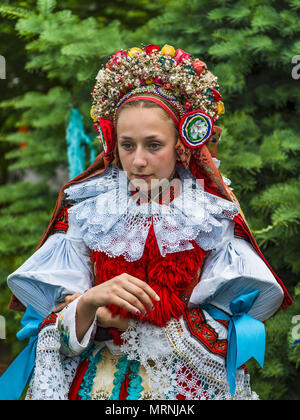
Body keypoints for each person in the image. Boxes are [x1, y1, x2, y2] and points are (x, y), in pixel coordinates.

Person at [1, 44, 292, 400]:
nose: (137, 160)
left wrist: (160, 328)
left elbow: (231, 322)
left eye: (153, 145)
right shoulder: (88, 211)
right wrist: (90, 305)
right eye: (127, 145)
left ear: (182, 146)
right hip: (99, 384)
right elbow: (51, 327)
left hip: (186, 383)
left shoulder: (211, 214)